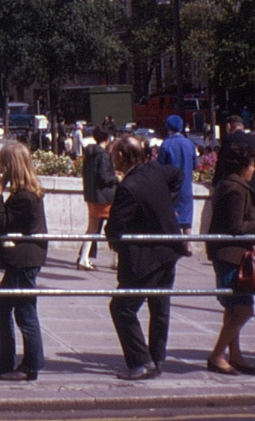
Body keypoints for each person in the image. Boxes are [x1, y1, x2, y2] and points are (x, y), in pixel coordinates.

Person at [105, 135, 184, 381]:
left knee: (122, 308)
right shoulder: (155, 171)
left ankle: (142, 361)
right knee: (159, 308)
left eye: (113, 154)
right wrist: (166, 203)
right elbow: (178, 176)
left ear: (120, 156)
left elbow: (115, 229)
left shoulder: (129, 187)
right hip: (169, 250)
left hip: (147, 258)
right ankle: (157, 358)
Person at [0, 141, 47, 381]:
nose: (0, 170)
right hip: (21, 261)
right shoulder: (26, 193)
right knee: (1, 307)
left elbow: (2, 223)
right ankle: (5, 360)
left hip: (23, 261)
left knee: (26, 312)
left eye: (2, 165)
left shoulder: (24, 197)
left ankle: (31, 365)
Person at [205, 143, 255, 376]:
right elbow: (234, 226)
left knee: (233, 310)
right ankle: (217, 354)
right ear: (243, 166)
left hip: (229, 255)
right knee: (243, 309)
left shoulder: (230, 184)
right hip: (232, 256)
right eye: (253, 165)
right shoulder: (236, 188)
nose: (254, 170)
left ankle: (235, 355)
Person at [77, 126, 116, 271]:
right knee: (114, 227)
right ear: (108, 138)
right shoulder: (104, 155)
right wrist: (117, 177)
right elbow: (105, 178)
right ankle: (115, 260)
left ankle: (83, 258)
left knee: (91, 228)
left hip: (92, 196)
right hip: (105, 197)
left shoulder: (90, 153)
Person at [219, 116, 255, 226]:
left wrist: (217, 183)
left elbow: (222, 164)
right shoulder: (254, 140)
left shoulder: (228, 139)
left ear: (229, 126)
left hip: (239, 184)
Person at [156, 116, 196, 234]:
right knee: (187, 222)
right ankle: (188, 246)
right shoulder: (190, 144)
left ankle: (175, 248)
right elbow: (194, 165)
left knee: (172, 220)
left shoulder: (166, 144)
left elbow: (160, 167)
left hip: (172, 189)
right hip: (187, 188)